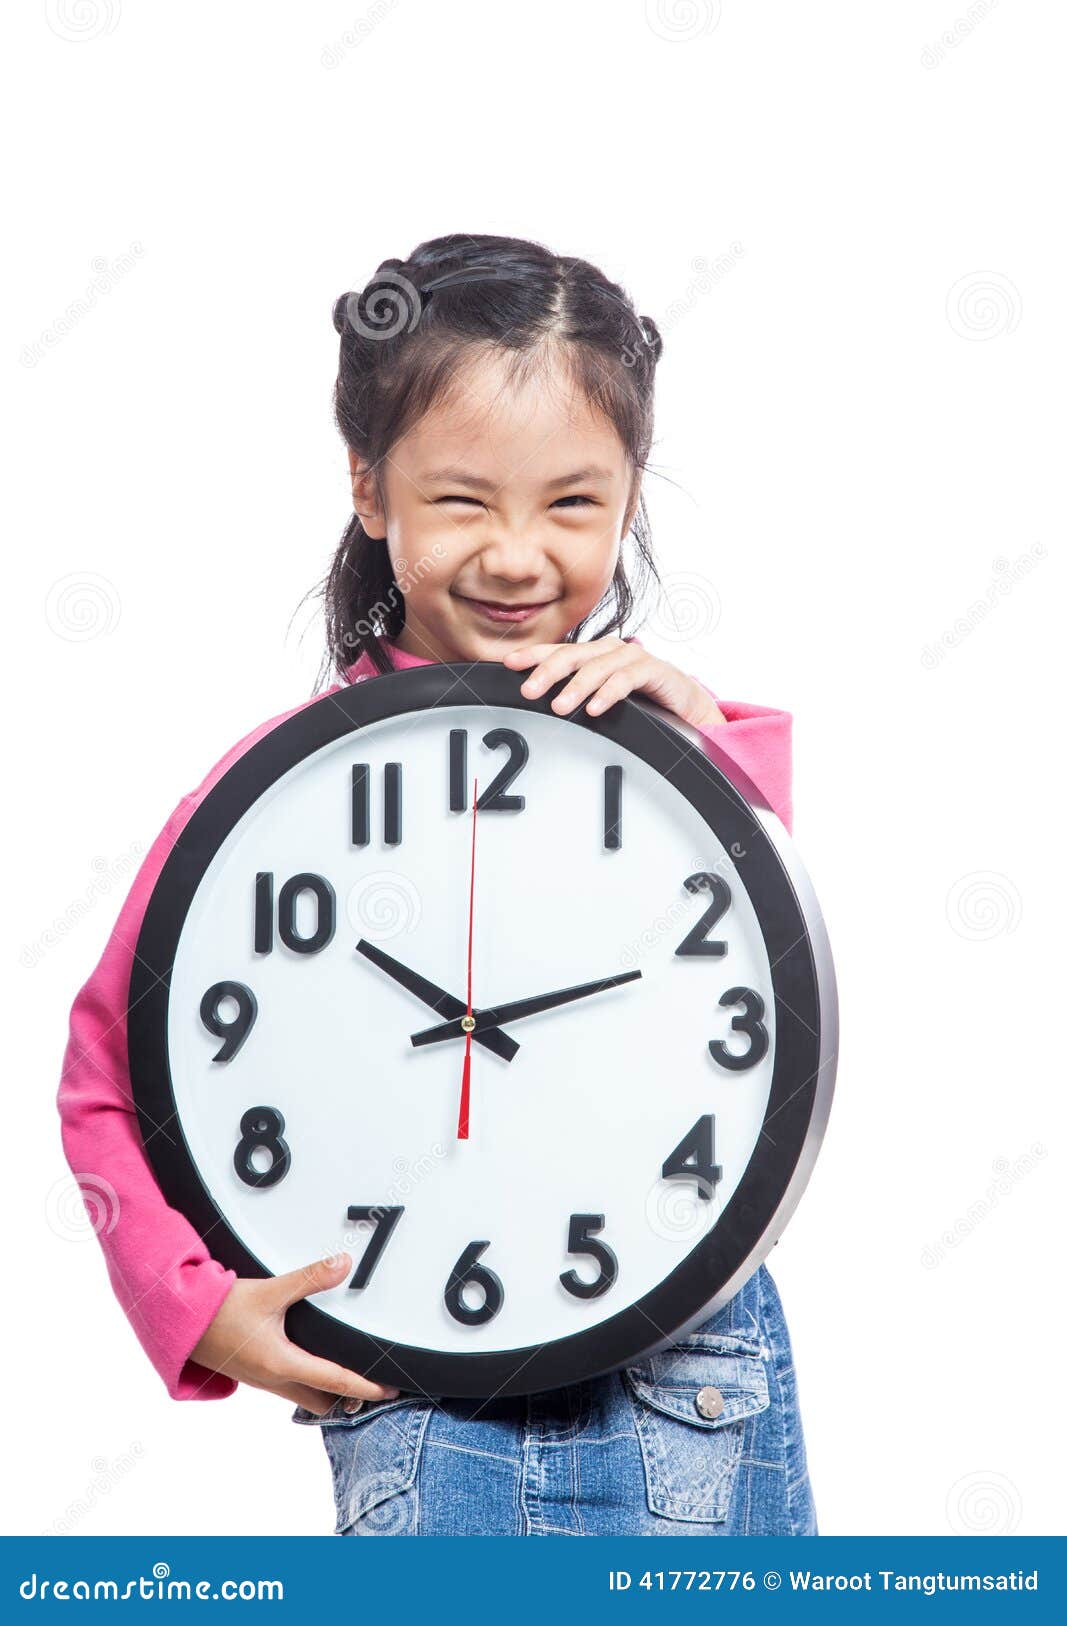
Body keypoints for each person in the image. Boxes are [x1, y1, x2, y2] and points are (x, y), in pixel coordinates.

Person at [57, 233, 816, 1536]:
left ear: (629, 496)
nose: (517, 555)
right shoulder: (276, 795)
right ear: (369, 487)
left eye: (571, 504)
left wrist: (702, 740)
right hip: (416, 1391)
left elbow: (750, 989)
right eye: (463, 501)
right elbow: (103, 1073)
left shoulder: (674, 754)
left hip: (695, 1378)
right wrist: (192, 1300)